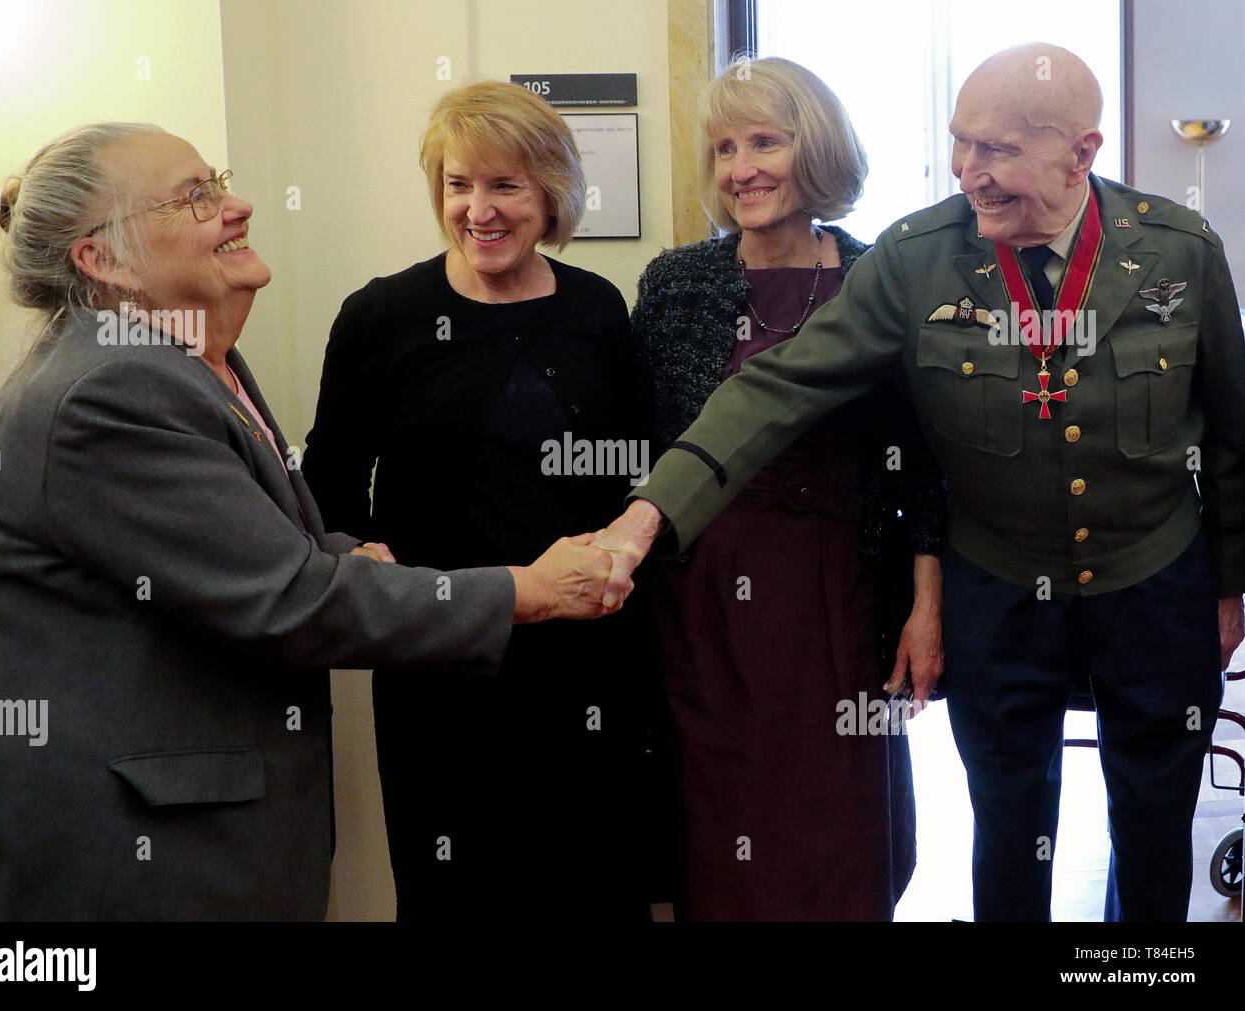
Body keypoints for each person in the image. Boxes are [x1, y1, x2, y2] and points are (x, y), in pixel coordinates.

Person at [598, 43, 1245, 922]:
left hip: (1155, 581)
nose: (967, 172)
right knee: (1009, 834)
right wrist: (648, 514)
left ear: (1080, 154)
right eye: (960, 143)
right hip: (1001, 588)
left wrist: (1229, 583)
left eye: (997, 151)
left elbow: (1234, 434)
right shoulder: (915, 258)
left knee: (1157, 825)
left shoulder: (1179, 250)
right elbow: (780, 385)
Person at [0, 122, 618, 921]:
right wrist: (526, 591)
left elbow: (264, 547)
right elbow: (291, 597)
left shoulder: (188, 356)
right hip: (123, 855)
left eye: (217, 180)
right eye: (195, 197)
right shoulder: (110, 390)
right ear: (104, 260)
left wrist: (352, 559)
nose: (238, 205)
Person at [301, 81, 659, 921]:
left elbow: (638, 470)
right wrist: (351, 548)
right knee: (458, 890)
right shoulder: (381, 315)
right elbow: (329, 483)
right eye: (459, 184)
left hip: (586, 661)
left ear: (552, 195)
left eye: (507, 186)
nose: (479, 210)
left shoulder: (598, 310)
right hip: (447, 662)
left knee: (592, 885)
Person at [629, 57, 943, 920]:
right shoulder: (676, 285)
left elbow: (922, 462)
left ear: (816, 149)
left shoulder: (881, 276)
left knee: (837, 815)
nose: (742, 169)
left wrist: (925, 604)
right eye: (725, 148)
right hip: (702, 601)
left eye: (765, 140)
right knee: (719, 809)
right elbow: (649, 451)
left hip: (838, 593)